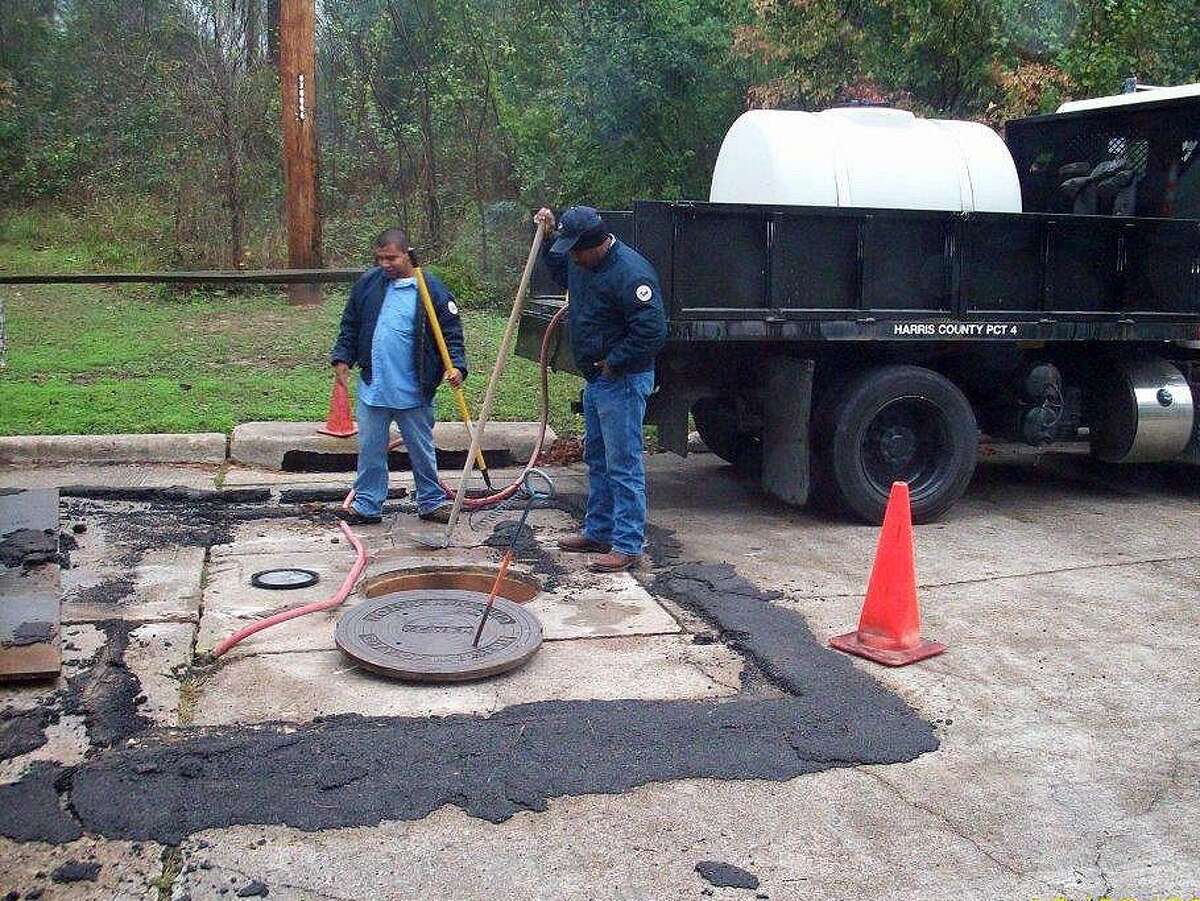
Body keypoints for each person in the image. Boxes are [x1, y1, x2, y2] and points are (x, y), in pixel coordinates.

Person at [533, 205, 667, 572]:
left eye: (576, 249)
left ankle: (627, 546)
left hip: (621, 380)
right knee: (597, 458)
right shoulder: (582, 263)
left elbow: (653, 330)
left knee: (623, 465)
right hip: (596, 381)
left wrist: (615, 361)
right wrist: (546, 239)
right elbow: (561, 271)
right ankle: (598, 531)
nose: (572, 256)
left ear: (596, 243)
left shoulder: (630, 272)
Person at [329, 228, 467, 525]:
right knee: (370, 451)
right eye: (380, 259)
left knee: (421, 449)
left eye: (391, 258)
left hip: (415, 390)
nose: (385, 264)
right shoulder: (369, 284)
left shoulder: (430, 289)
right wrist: (342, 358)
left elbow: (451, 333)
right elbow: (350, 325)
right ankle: (367, 504)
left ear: (407, 254)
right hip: (374, 388)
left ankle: (431, 501)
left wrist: (456, 366)